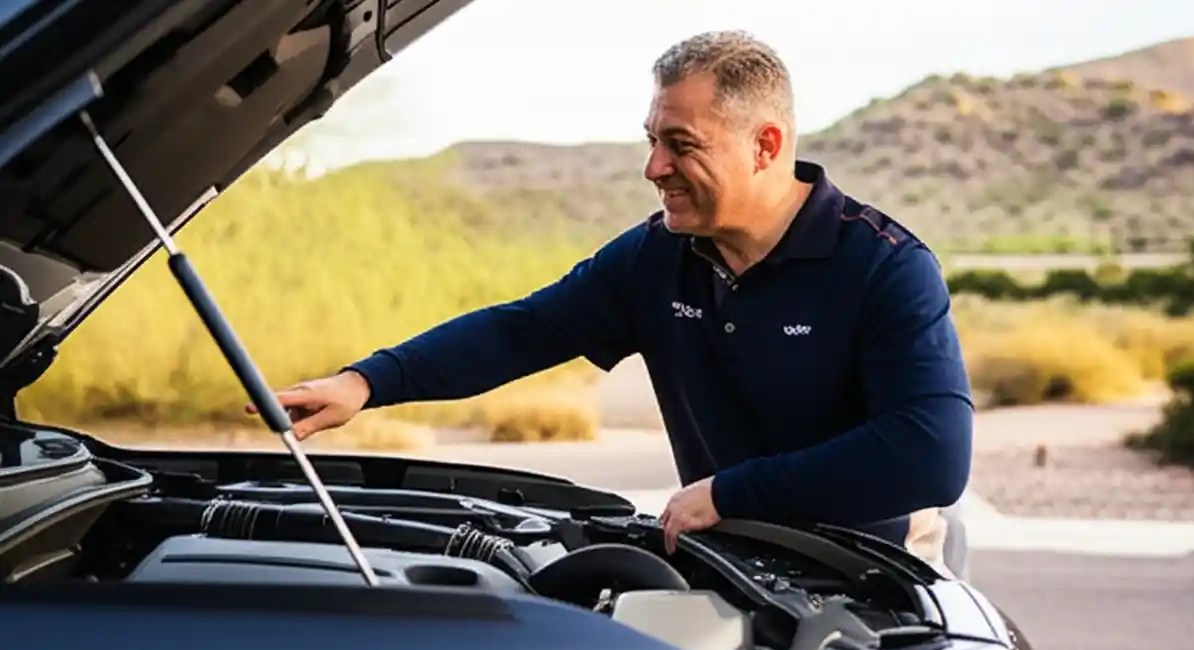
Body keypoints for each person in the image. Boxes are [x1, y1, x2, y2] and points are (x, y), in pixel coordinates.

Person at [254, 30, 974, 571]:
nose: (653, 167)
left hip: (876, 573)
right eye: (652, 140)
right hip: (726, 555)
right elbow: (525, 330)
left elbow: (930, 457)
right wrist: (367, 381)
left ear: (765, 145)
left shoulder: (885, 266)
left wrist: (729, 493)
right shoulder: (654, 257)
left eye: (680, 144)